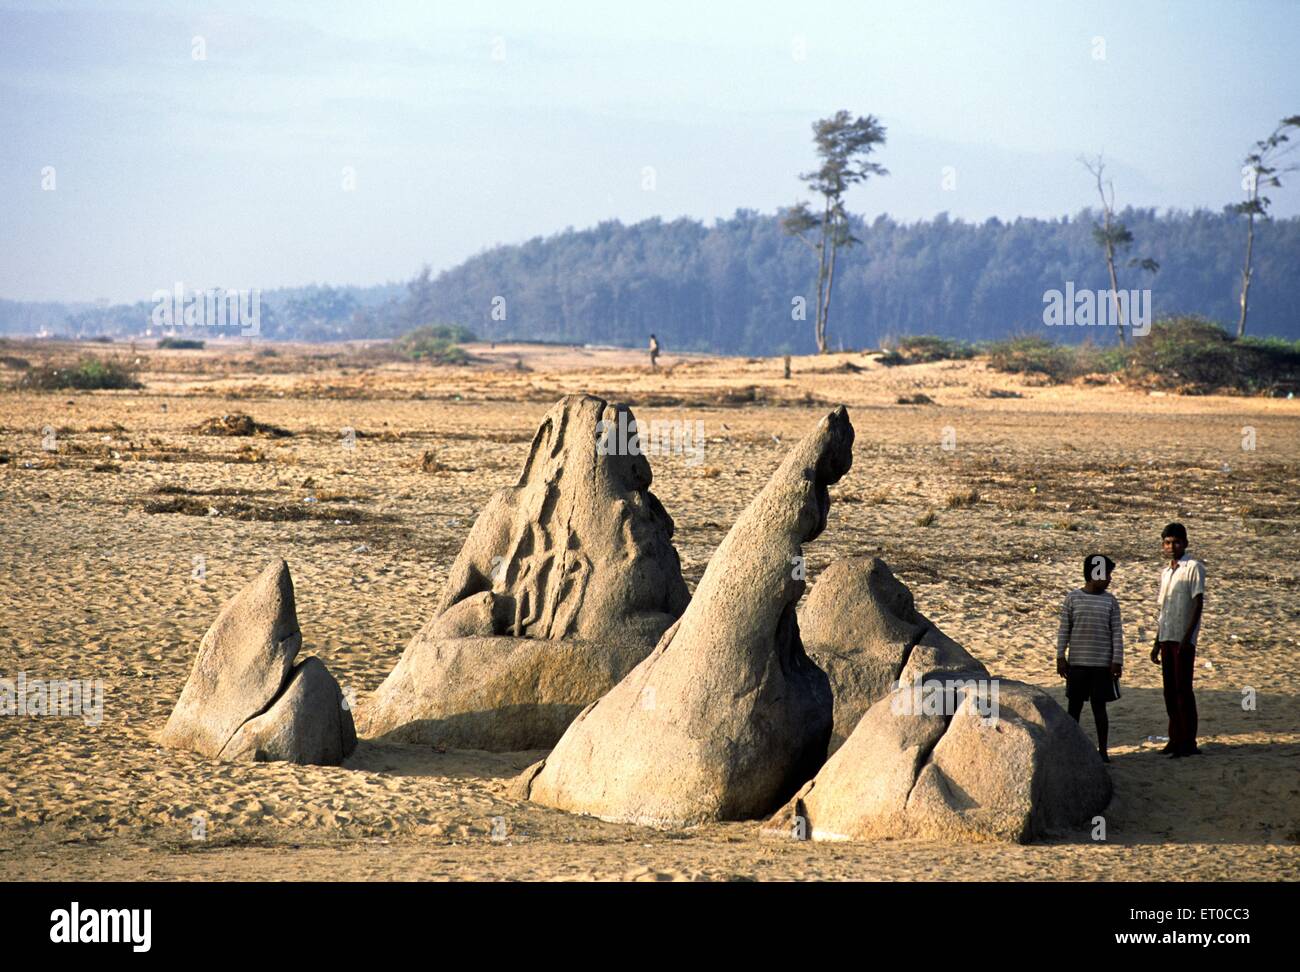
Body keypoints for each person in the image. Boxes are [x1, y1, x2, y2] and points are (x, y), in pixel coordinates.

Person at [1056, 554, 1123, 762]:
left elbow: (1117, 633)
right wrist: (1060, 656)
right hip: (1077, 664)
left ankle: (1103, 751)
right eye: (1107, 574)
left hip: (1101, 666)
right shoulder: (1073, 599)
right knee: (1074, 708)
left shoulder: (1110, 601)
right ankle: (1070, 749)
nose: (1110, 579)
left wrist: (1117, 660)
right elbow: (1064, 630)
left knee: (1099, 708)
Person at [1150, 522, 1205, 757]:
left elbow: (1197, 604)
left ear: (1185, 543)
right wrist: (1156, 641)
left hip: (1183, 639)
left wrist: (1187, 638)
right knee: (1169, 692)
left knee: (1183, 691)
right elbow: (1164, 610)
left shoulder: (1193, 567)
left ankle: (1188, 742)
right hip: (1167, 636)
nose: (1171, 546)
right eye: (1167, 542)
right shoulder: (1166, 572)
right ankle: (1174, 739)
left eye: (1176, 542)